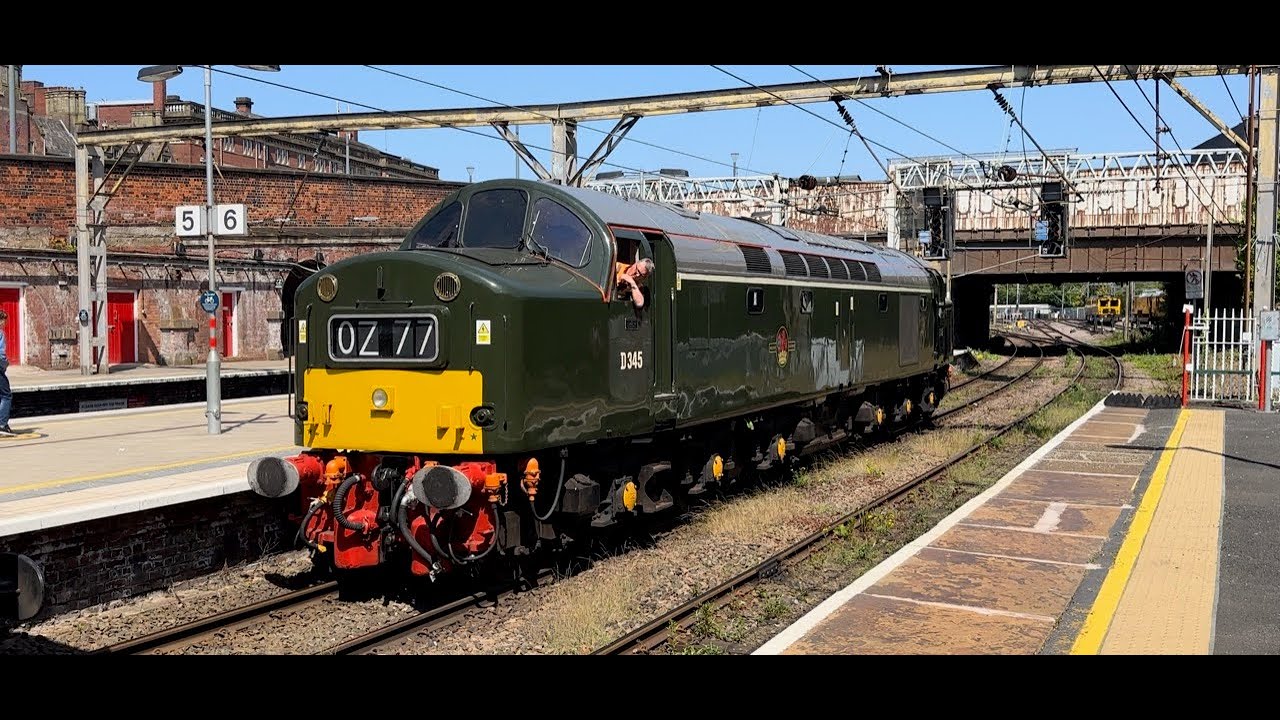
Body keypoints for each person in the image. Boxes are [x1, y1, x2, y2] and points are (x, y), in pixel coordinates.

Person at [0, 309, 11, 436]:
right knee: (6, 395)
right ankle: (2, 424)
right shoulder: (1, 333)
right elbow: (1, 353)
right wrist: (4, 365)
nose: (5, 323)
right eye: (3, 321)